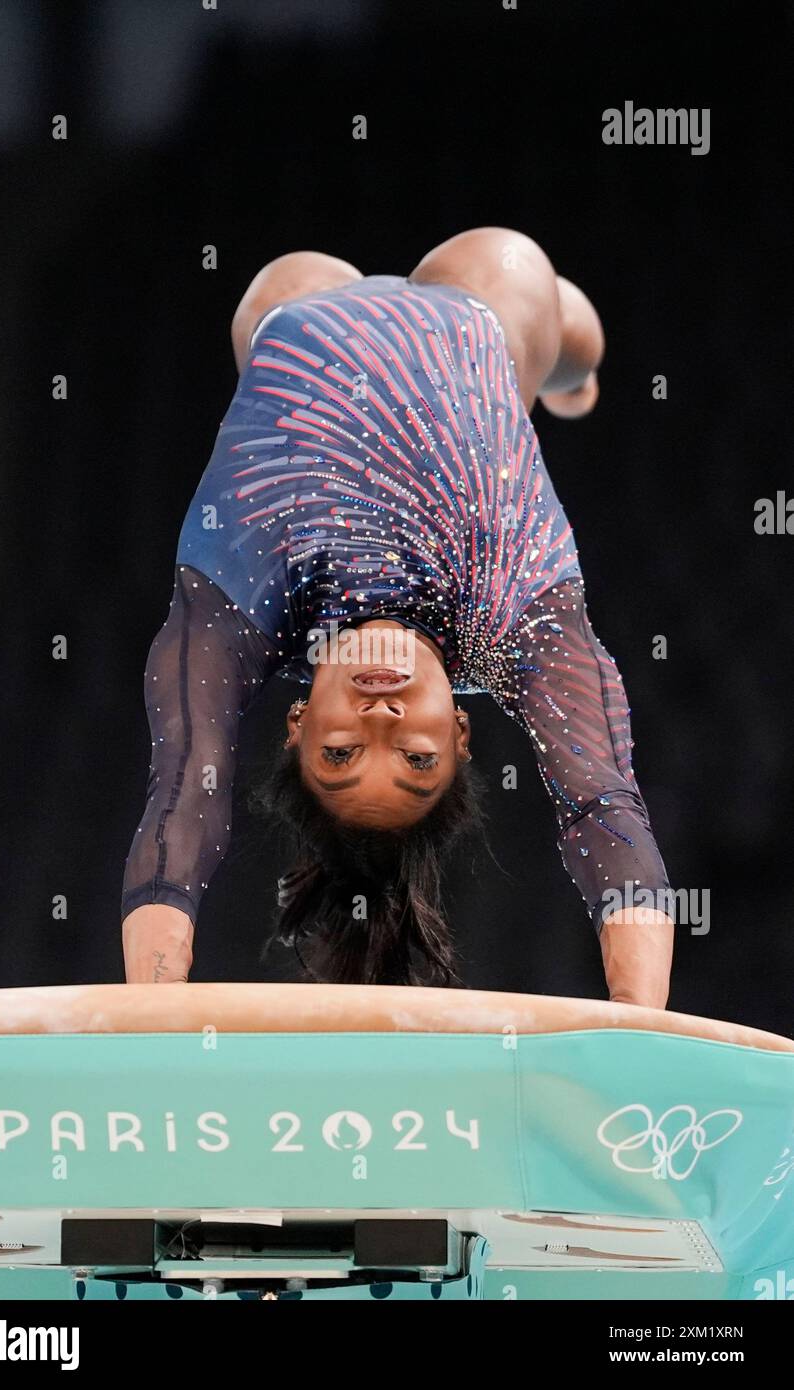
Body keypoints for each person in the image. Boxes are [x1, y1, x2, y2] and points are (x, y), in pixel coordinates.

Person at [121, 228, 674, 1001]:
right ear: (459, 733)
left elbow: (184, 790)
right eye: (416, 761)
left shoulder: (240, 612)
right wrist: (641, 1024)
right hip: (484, 307)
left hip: (297, 311)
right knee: (545, 309)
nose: (380, 718)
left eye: (341, 754)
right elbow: (600, 797)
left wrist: (150, 1011)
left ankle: (561, 368)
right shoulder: (514, 624)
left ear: (297, 724)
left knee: (288, 283)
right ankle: (569, 372)